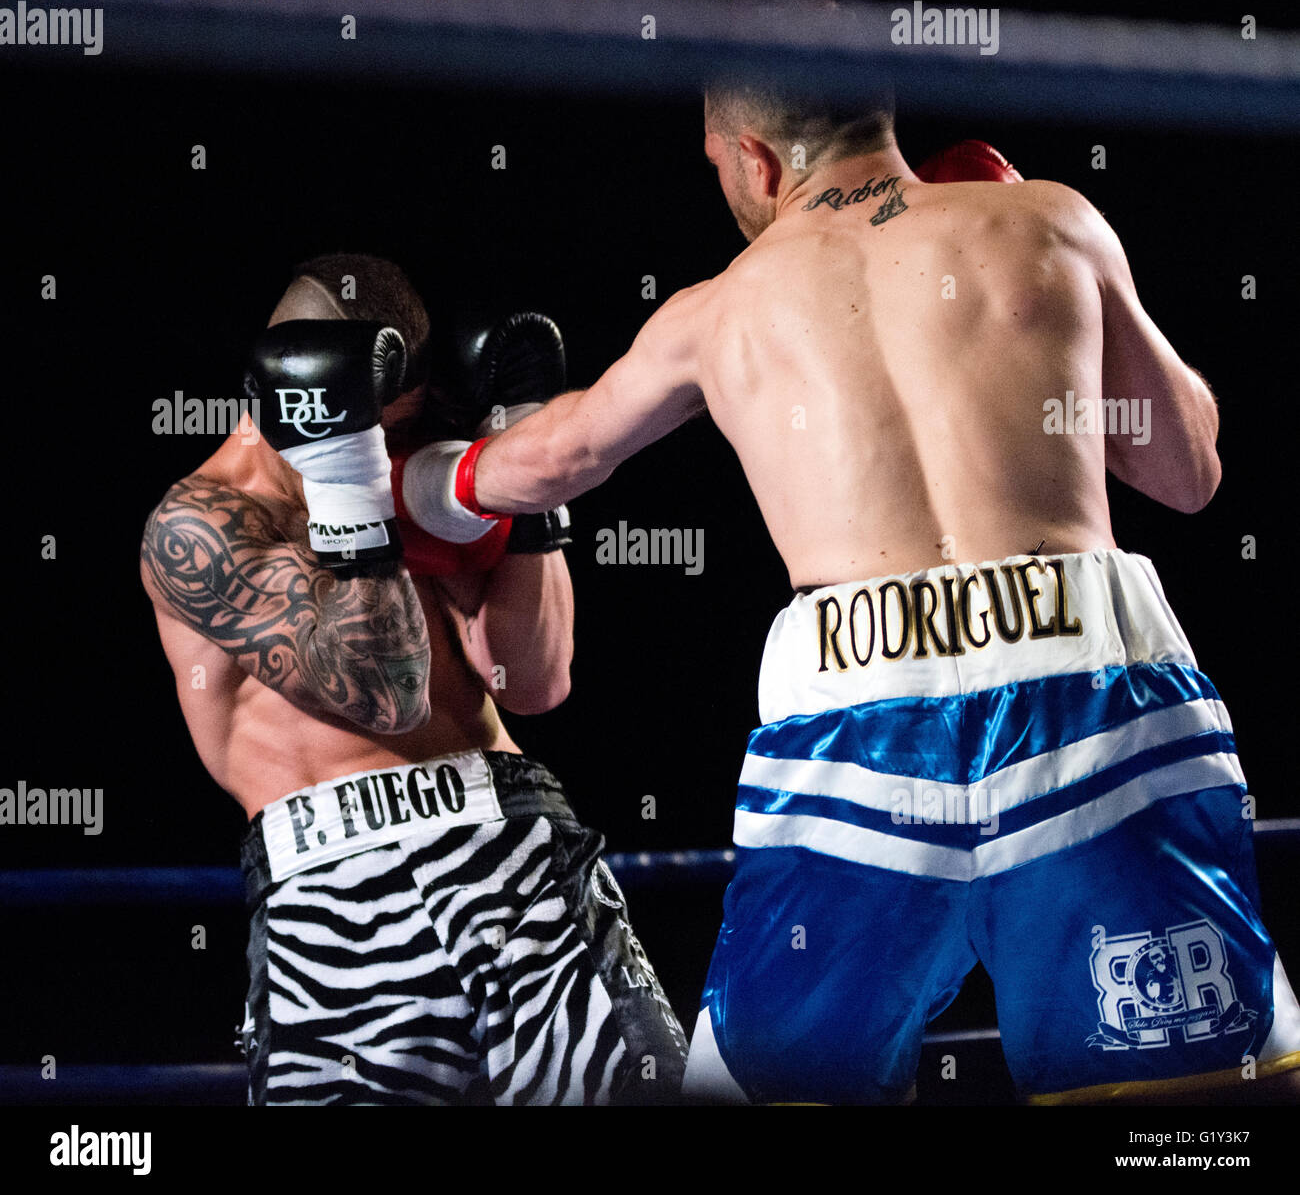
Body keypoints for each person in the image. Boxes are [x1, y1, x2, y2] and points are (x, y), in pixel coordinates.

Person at [402, 79, 1300, 1105]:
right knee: (1193, 1118)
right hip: (1089, 687)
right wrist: (1052, 281)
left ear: (754, 158)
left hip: (852, 743)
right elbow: (1189, 469)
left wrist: (403, 480)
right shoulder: (1046, 219)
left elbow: (547, 463)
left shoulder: (718, 311)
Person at [139, 253, 687, 1105]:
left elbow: (537, 679)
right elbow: (386, 694)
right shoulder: (200, 524)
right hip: (335, 900)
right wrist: (345, 478)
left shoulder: (418, 466)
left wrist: (525, 483)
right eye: (369, 428)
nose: (389, 450)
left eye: (396, 425)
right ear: (294, 397)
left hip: (513, 843)